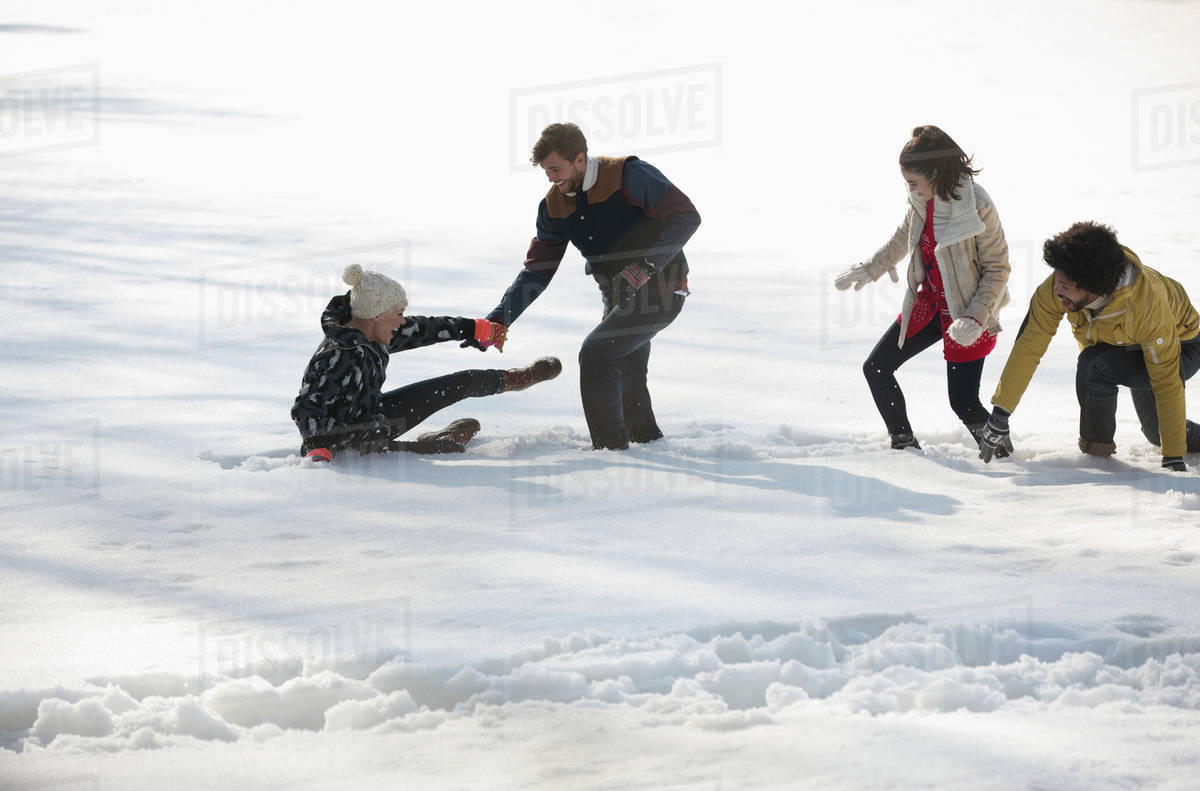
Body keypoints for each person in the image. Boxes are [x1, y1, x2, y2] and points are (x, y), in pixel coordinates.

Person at [477, 122, 700, 450]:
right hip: (617, 296)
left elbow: (686, 216)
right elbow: (537, 272)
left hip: (661, 290)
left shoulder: (629, 176)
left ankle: (609, 453)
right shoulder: (553, 206)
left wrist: (645, 265)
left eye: (556, 168)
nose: (551, 178)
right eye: (545, 171)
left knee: (597, 354)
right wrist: (500, 319)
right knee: (626, 373)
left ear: (580, 159)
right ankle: (648, 445)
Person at [836, 125, 1012, 451]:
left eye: (913, 182)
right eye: (907, 183)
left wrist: (975, 317)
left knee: (963, 402)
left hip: (967, 315)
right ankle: (903, 445)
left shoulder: (977, 205)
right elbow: (903, 238)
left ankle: (1002, 454)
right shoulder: (922, 201)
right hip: (929, 304)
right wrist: (871, 269)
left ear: (934, 173)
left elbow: (998, 268)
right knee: (876, 368)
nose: (910, 189)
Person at [977, 221, 1200, 472]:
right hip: (1124, 345)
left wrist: (1173, 457)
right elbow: (1029, 346)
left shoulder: (1146, 304)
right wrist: (1000, 413)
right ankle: (1100, 454)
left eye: (1066, 286)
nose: (1057, 289)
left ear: (1093, 288)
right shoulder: (1058, 288)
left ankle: (1098, 459)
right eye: (1057, 279)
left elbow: (1167, 382)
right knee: (1154, 432)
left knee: (1095, 366)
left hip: (1182, 345)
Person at [291, 264, 561, 460]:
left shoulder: (375, 336)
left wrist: (473, 328)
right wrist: (317, 447)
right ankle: (438, 443)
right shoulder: (338, 354)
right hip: (344, 444)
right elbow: (306, 406)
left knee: (462, 381)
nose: (403, 320)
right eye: (399, 313)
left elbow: (426, 329)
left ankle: (517, 378)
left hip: (377, 418)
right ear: (376, 316)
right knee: (441, 453)